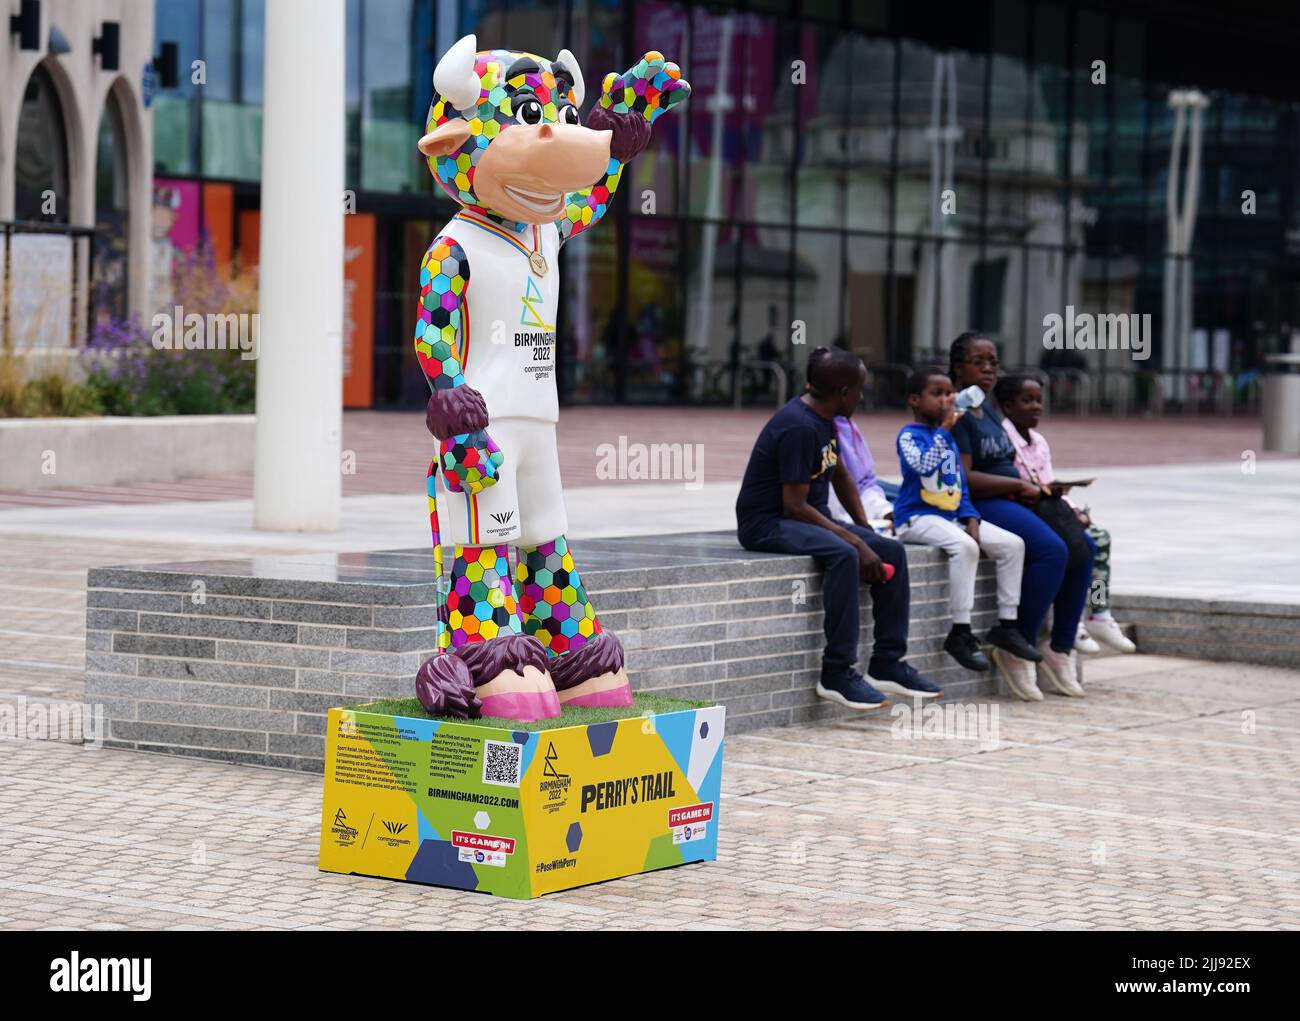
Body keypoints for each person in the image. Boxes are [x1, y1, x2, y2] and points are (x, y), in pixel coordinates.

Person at [736, 347, 942, 709]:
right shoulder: (799, 426)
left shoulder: (825, 416)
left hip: (801, 516)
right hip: (768, 523)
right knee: (844, 554)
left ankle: (887, 662)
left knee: (890, 549)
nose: (862, 397)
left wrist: (866, 530)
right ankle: (836, 671)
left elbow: (841, 474)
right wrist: (857, 543)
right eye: (860, 390)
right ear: (844, 392)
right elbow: (794, 505)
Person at [948, 332, 1095, 700]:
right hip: (983, 501)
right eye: (977, 362)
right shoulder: (960, 414)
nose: (987, 369)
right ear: (957, 367)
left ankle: (1059, 647)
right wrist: (1021, 488)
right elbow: (964, 478)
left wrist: (1041, 488)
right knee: (1051, 550)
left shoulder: (990, 410)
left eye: (993, 362)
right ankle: (1015, 643)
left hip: (1017, 494)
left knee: (1085, 546)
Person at [892, 368, 1040, 673]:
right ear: (915, 400)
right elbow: (922, 466)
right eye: (937, 394)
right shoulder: (910, 435)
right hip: (917, 518)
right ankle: (960, 631)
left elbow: (958, 484)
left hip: (951, 517)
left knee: (1013, 545)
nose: (946, 400)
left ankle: (1008, 624)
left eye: (949, 393)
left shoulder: (948, 439)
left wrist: (971, 516)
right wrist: (945, 429)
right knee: (966, 548)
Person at [995, 375, 1137, 655]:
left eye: (1039, 400)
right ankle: (1078, 623)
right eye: (1028, 400)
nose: (1036, 407)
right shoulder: (1002, 439)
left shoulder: (1038, 441)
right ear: (1008, 406)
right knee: (1074, 546)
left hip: (1048, 508)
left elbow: (1048, 483)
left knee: (1098, 538)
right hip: (1026, 512)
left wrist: (1075, 512)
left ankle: (1099, 611)